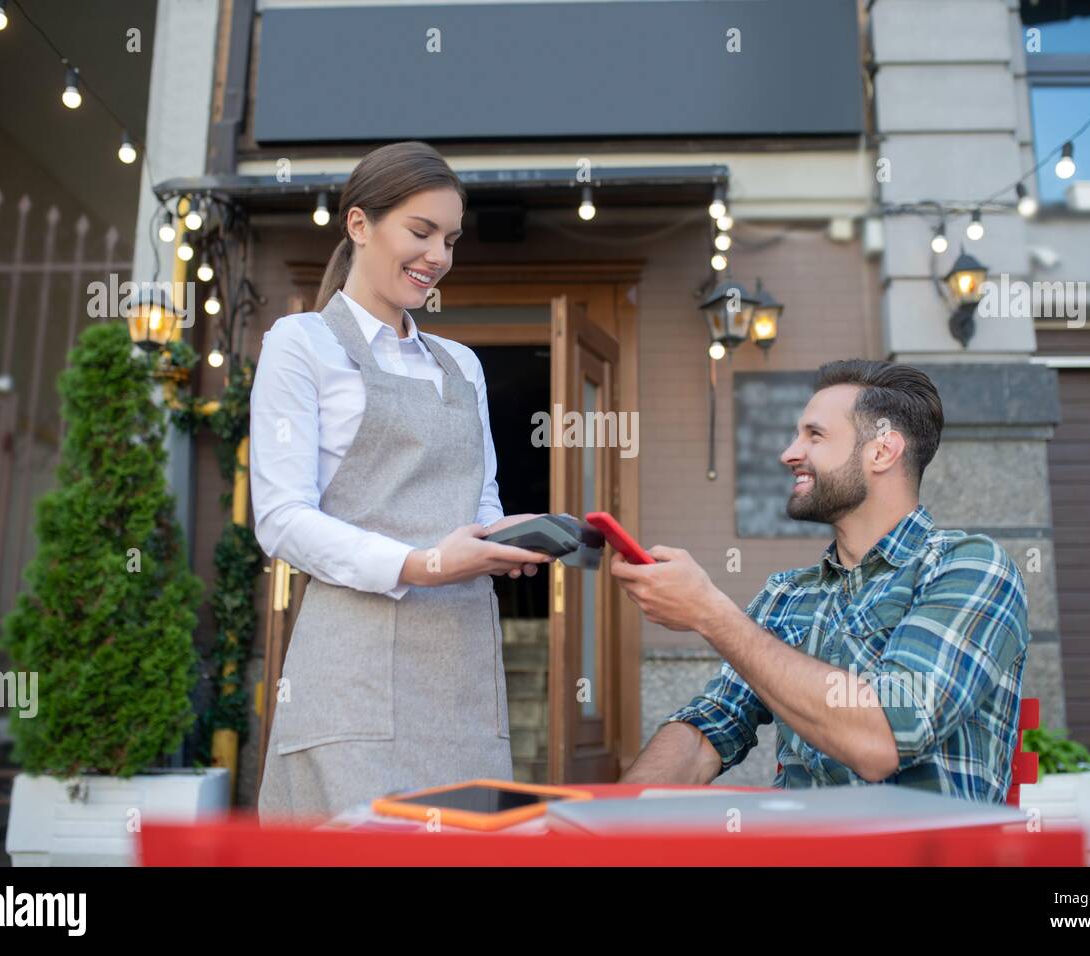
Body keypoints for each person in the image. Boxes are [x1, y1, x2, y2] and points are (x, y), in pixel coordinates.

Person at [251, 141, 551, 822]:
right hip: (351, 669)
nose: (439, 255)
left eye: (449, 239)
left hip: (461, 669)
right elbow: (281, 518)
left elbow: (479, 500)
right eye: (421, 232)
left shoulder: (462, 365)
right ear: (360, 224)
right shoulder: (302, 345)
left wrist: (502, 538)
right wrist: (421, 563)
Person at [612, 359, 1030, 803]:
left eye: (815, 435)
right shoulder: (787, 594)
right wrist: (605, 827)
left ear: (882, 452)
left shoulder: (969, 568)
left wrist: (710, 613)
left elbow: (884, 738)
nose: (789, 453)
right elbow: (707, 733)